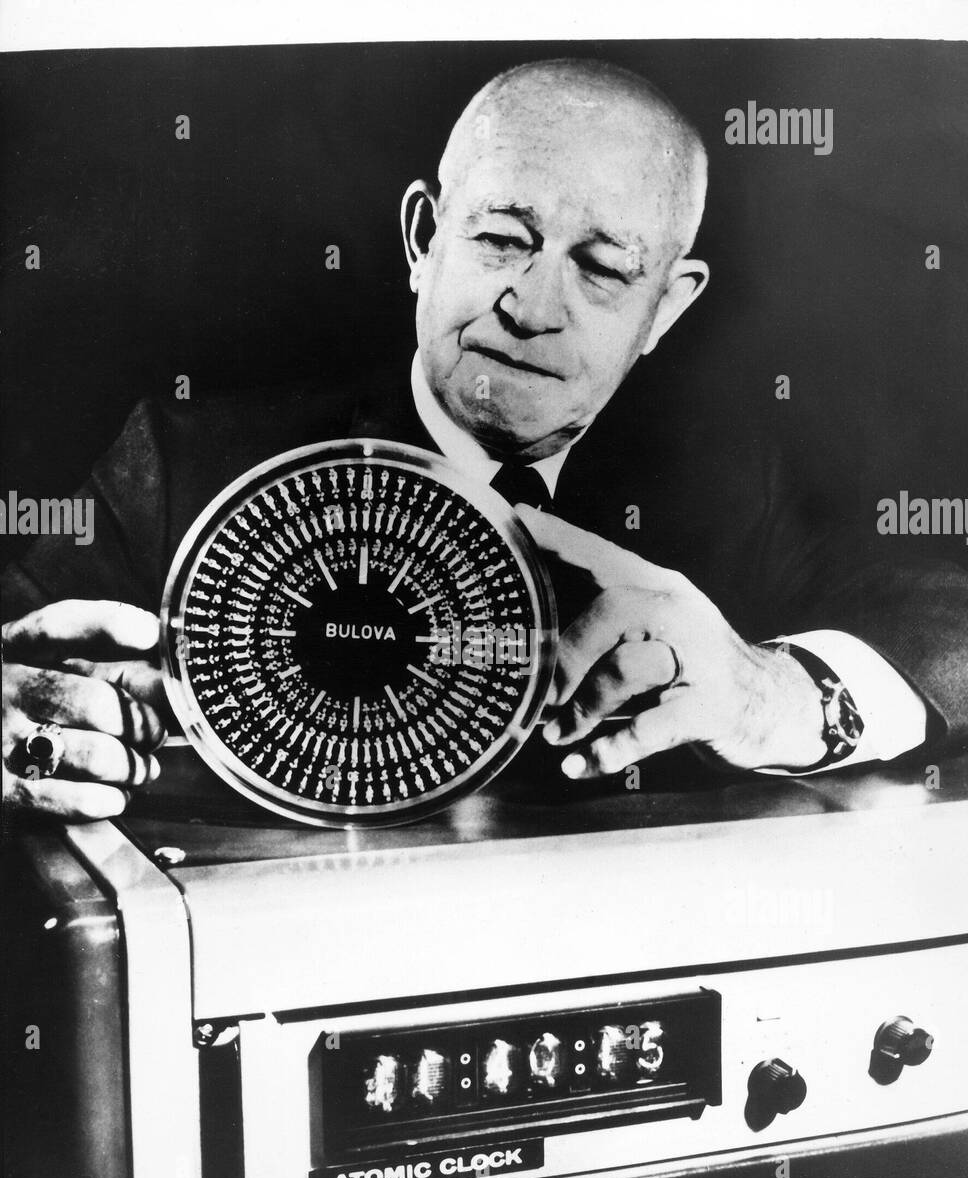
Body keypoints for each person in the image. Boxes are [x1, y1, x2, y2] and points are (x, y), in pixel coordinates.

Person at [4, 58, 967, 820]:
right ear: (424, 237)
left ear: (667, 307)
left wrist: (768, 697)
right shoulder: (177, 468)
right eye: (503, 238)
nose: (530, 306)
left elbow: (947, 630)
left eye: (601, 269)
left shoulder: (739, 494)